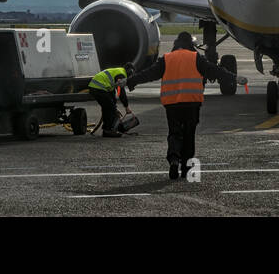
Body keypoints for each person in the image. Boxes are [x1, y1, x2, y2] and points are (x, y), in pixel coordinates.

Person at [125, 32, 246, 180]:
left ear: (176, 44)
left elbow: (149, 74)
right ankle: (186, 168)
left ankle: (174, 160)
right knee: (189, 135)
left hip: (172, 104)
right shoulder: (196, 58)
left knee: (174, 133)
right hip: (191, 103)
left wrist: (129, 81)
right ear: (191, 44)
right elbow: (215, 70)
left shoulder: (167, 58)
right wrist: (234, 77)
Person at [88, 65, 132, 138]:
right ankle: (108, 131)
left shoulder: (118, 71)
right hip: (99, 88)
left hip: (98, 87)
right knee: (110, 109)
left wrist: (114, 106)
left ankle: (107, 130)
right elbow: (121, 92)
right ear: (130, 72)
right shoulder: (122, 74)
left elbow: (112, 92)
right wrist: (126, 107)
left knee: (109, 108)